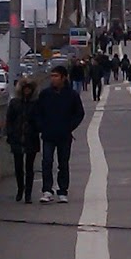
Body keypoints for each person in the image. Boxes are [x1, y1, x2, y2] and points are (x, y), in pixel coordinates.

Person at [32, 64, 85, 203]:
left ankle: (62, 191)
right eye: (52, 76)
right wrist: (41, 126)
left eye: (56, 76)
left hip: (64, 135)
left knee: (63, 163)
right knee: (47, 162)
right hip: (48, 134)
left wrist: (69, 127)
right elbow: (37, 112)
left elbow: (79, 113)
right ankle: (47, 190)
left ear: (63, 78)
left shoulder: (71, 95)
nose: (53, 79)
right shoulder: (45, 94)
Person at [4, 78, 40, 204]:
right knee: (18, 167)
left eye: (29, 89)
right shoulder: (14, 103)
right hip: (17, 137)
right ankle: (20, 189)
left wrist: (36, 128)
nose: (27, 91)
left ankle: (28, 194)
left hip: (31, 138)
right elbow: (9, 120)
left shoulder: (35, 104)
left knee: (29, 167)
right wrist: (10, 134)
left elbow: (39, 119)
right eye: (25, 89)